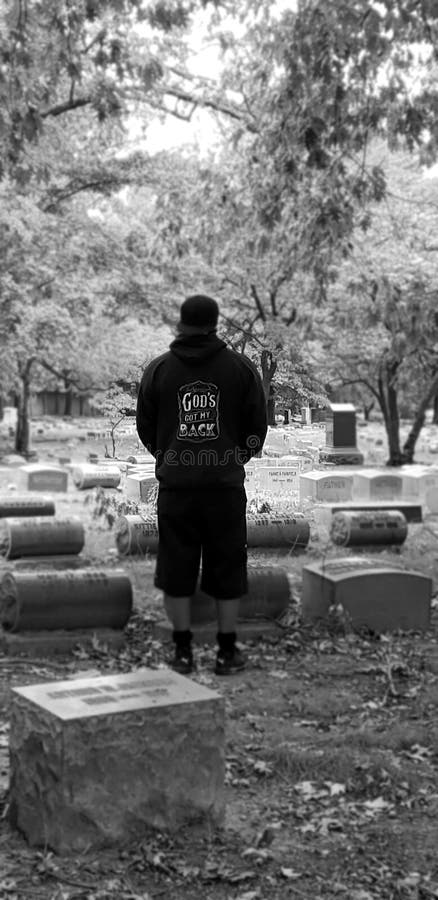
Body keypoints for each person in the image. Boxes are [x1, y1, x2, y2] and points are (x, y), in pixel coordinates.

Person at [136, 294, 267, 676]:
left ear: (181, 324)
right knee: (227, 567)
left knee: (176, 569)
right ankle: (227, 652)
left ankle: (182, 654)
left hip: (176, 487)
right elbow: (257, 429)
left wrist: (171, 456)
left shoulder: (158, 370)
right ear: (215, 323)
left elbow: (146, 429)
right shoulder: (240, 369)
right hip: (224, 488)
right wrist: (233, 457)